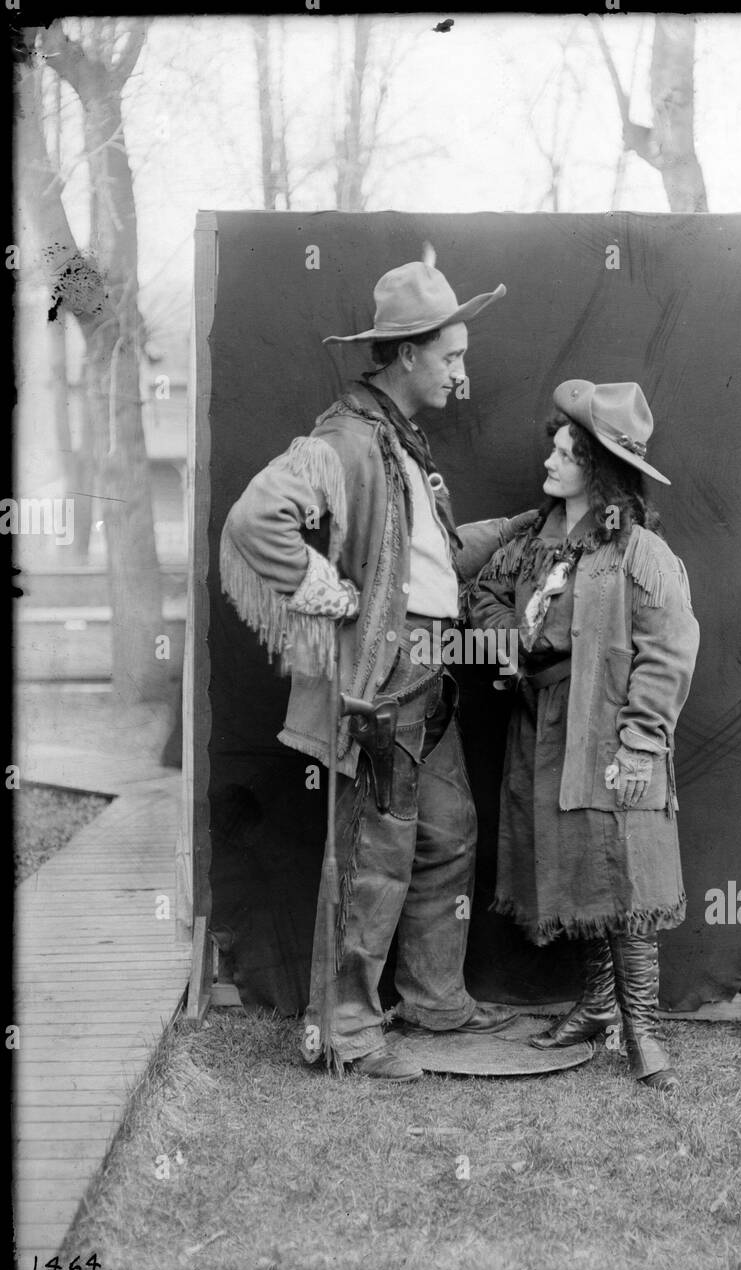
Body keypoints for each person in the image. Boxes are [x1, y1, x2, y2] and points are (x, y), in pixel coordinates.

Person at [219, 246, 536, 1081]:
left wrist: (510, 528)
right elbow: (257, 522)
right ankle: (347, 1031)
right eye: (452, 356)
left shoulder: (403, 443)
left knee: (450, 836)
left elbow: (422, 567)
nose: (462, 373)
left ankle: (434, 999)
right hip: (384, 684)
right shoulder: (348, 442)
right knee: (375, 857)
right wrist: (325, 590)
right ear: (406, 354)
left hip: (432, 679)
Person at [468, 380, 699, 1092]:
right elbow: (482, 593)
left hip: (611, 730)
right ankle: (599, 1005)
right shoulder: (533, 542)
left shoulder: (640, 552)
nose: (553, 459)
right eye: (556, 445)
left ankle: (645, 1031)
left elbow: (670, 650)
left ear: (600, 469)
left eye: (569, 452)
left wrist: (638, 744)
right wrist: (506, 639)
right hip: (546, 727)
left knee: (626, 877)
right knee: (583, 871)